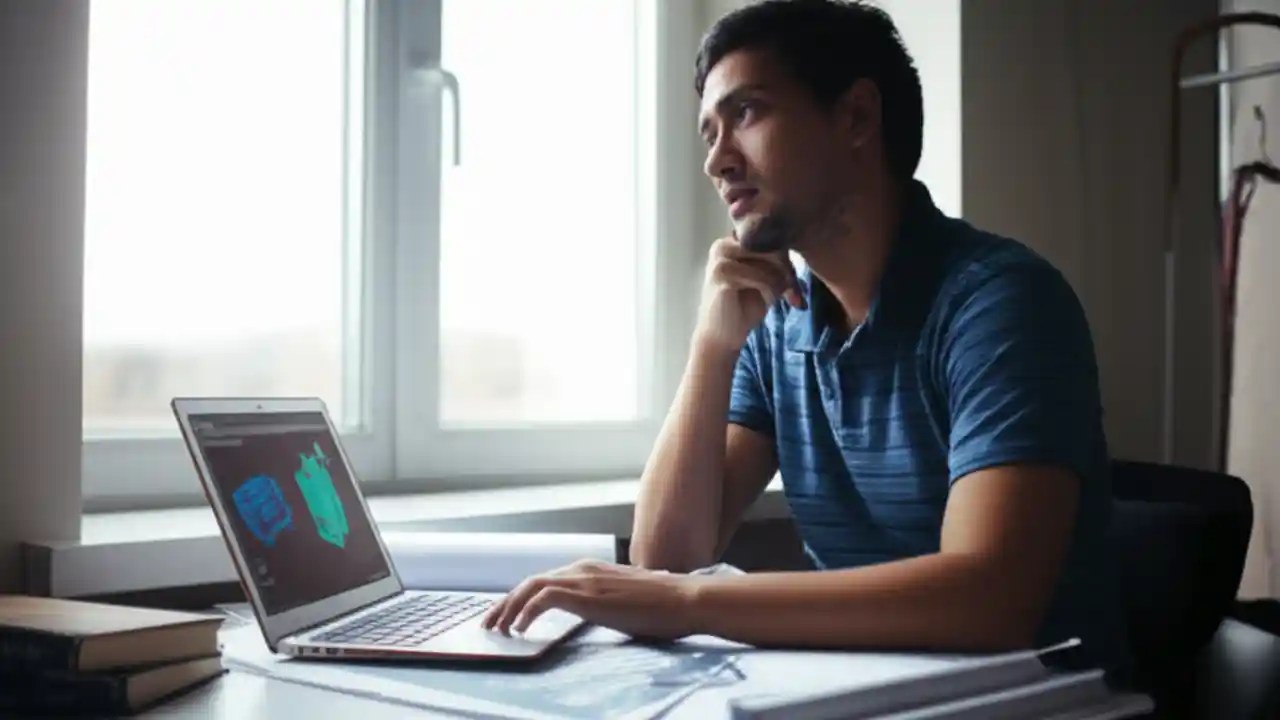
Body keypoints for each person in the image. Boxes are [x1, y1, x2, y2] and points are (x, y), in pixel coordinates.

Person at [483, 0, 1127, 673]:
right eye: (709, 133)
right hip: (854, 691)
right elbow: (665, 559)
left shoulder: (1000, 303)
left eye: (747, 113)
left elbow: (989, 601)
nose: (717, 161)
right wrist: (713, 345)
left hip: (1033, 702)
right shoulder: (775, 323)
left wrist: (691, 603)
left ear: (855, 117)